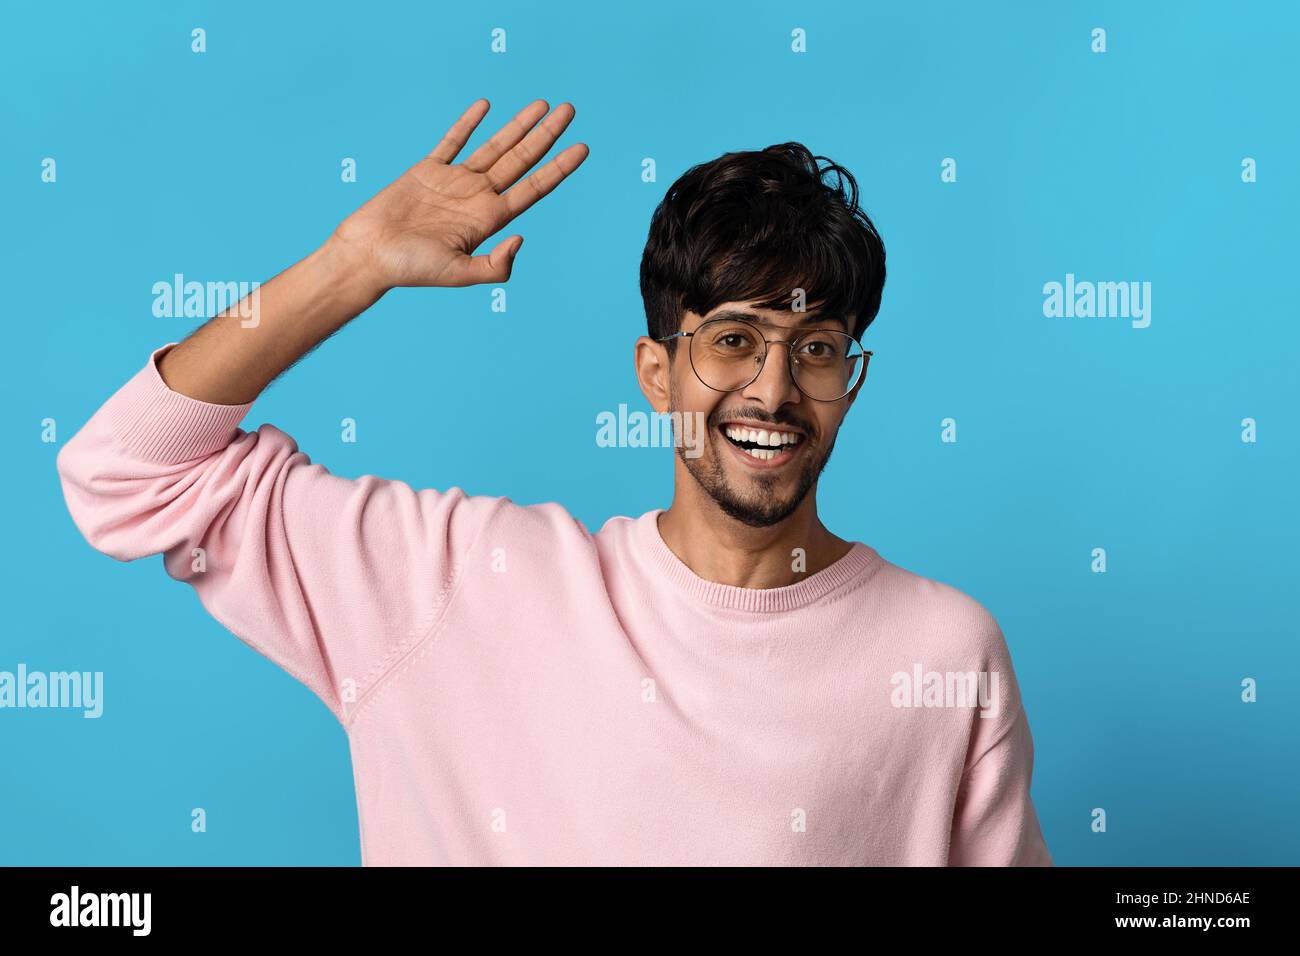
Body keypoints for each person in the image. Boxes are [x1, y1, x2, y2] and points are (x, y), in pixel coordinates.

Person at [56, 98, 1052, 866]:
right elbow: (124, 472)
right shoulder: (455, 583)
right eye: (734, 341)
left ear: (850, 376)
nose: (775, 389)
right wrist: (349, 266)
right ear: (656, 372)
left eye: (818, 348)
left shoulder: (943, 649)